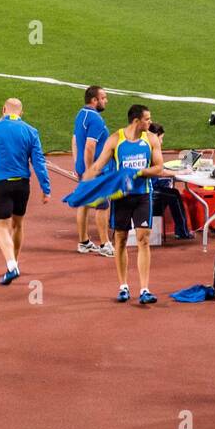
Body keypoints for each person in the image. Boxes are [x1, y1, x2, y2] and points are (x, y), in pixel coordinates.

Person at [83, 104, 168, 304]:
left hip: (142, 195)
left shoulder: (151, 140)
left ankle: (145, 289)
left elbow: (159, 168)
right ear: (136, 121)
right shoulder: (116, 140)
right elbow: (98, 165)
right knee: (120, 239)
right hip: (121, 197)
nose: (150, 122)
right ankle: (123, 287)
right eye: (147, 119)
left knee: (143, 239)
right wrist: (86, 182)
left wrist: (139, 173)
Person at [0, 98, 52, 286]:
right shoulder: (31, 131)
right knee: (18, 224)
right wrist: (46, 188)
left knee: (0, 226)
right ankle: (14, 262)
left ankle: (11, 266)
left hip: (1, 184)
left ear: (3, 110)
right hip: (23, 185)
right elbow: (39, 162)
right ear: (21, 113)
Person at [71, 86, 113, 257]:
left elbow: (74, 140)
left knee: (84, 204)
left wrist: (78, 165)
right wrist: (91, 171)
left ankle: (84, 242)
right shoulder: (96, 119)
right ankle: (105, 244)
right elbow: (90, 146)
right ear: (94, 100)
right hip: (96, 171)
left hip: (83, 169)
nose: (106, 101)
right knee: (102, 207)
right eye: (103, 98)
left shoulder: (81, 114)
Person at [148, 123, 193, 240]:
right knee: (174, 195)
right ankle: (182, 232)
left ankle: (181, 230)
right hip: (149, 189)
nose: (162, 142)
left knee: (171, 190)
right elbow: (159, 172)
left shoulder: (146, 148)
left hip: (150, 184)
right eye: (161, 138)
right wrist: (180, 172)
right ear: (155, 136)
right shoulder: (151, 150)